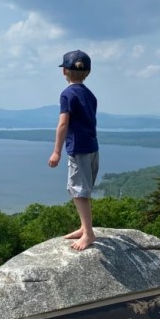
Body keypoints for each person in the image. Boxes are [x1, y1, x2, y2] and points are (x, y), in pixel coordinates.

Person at [48, 49, 99, 250]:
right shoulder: (89, 94)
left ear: (64, 72)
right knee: (80, 190)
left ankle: (88, 233)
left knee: (78, 192)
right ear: (87, 73)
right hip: (92, 147)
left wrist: (56, 152)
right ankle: (84, 227)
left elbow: (63, 124)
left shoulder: (67, 94)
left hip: (79, 149)